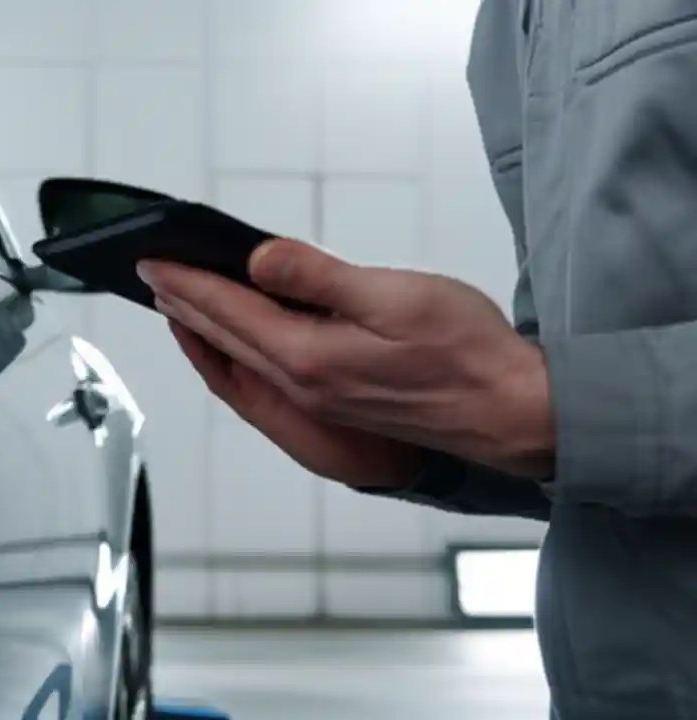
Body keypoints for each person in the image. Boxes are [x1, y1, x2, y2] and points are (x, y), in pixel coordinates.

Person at [137, 2, 697, 718]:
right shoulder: (509, 27)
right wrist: (429, 445)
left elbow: (567, 402)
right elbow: (591, 399)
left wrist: (543, 405)